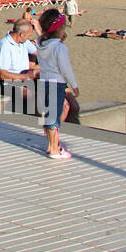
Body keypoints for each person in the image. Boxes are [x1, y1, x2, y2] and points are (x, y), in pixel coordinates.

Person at [36, 14, 79, 159]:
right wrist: (74, 85)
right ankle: (54, 149)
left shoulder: (40, 43)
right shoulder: (60, 48)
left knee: (47, 115)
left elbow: (44, 38)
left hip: (44, 82)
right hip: (56, 83)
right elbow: (65, 68)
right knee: (54, 117)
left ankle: (51, 144)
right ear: (59, 29)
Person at [0, 19, 40, 113]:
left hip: (24, 79)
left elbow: (39, 53)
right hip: (7, 84)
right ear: (22, 34)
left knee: (51, 89)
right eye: (29, 35)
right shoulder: (4, 46)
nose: (30, 38)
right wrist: (27, 76)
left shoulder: (23, 42)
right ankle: (32, 122)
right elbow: (3, 75)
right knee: (35, 95)